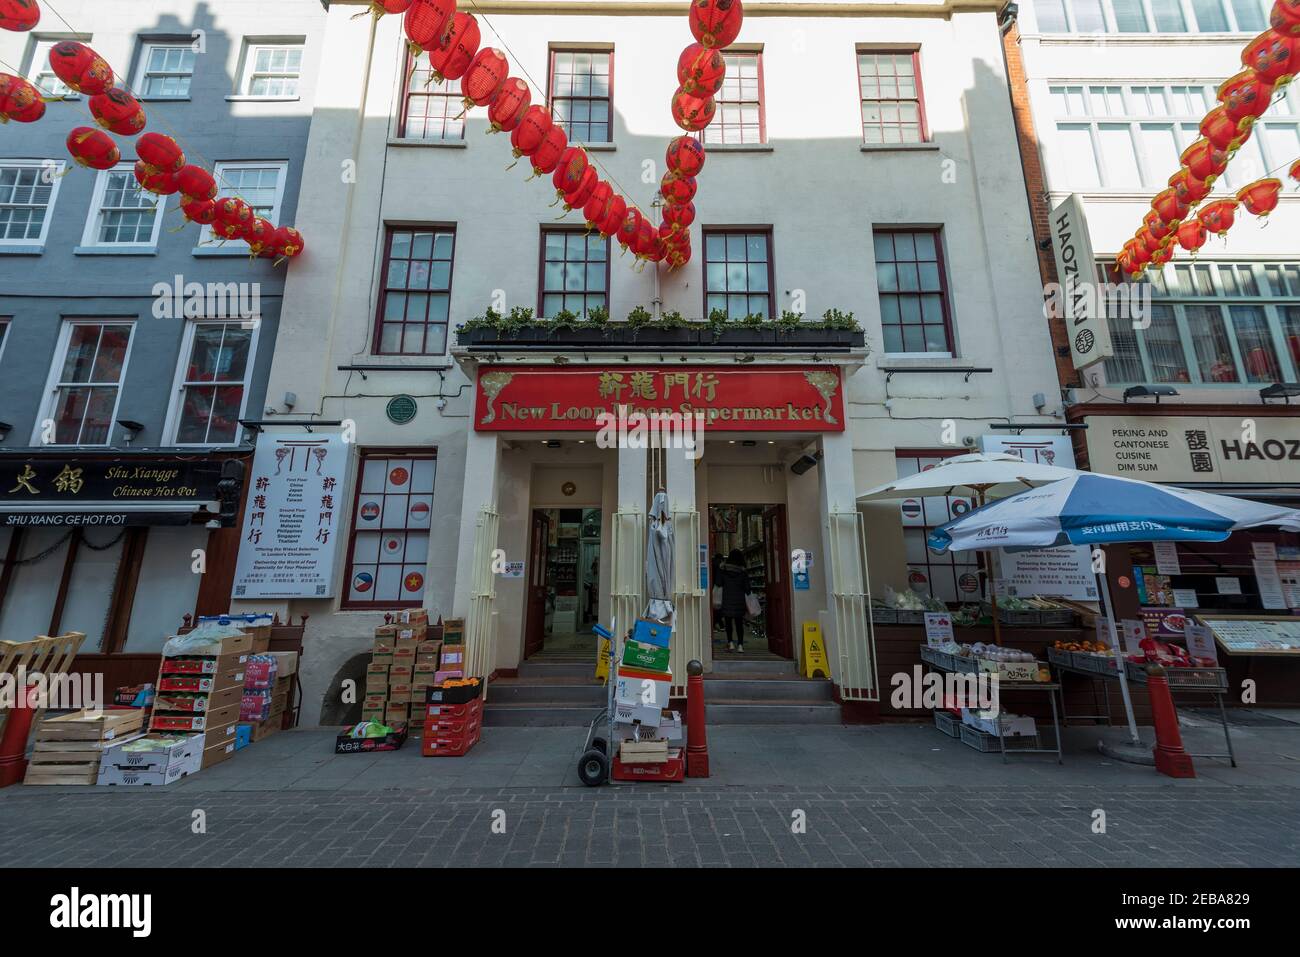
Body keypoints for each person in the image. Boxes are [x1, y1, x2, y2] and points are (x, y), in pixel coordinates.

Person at [717, 548, 751, 653]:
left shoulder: (723, 570)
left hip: (727, 599)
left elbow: (718, 583)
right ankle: (740, 645)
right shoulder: (743, 572)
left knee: (728, 623)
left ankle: (730, 643)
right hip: (739, 600)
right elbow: (748, 589)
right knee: (739, 623)